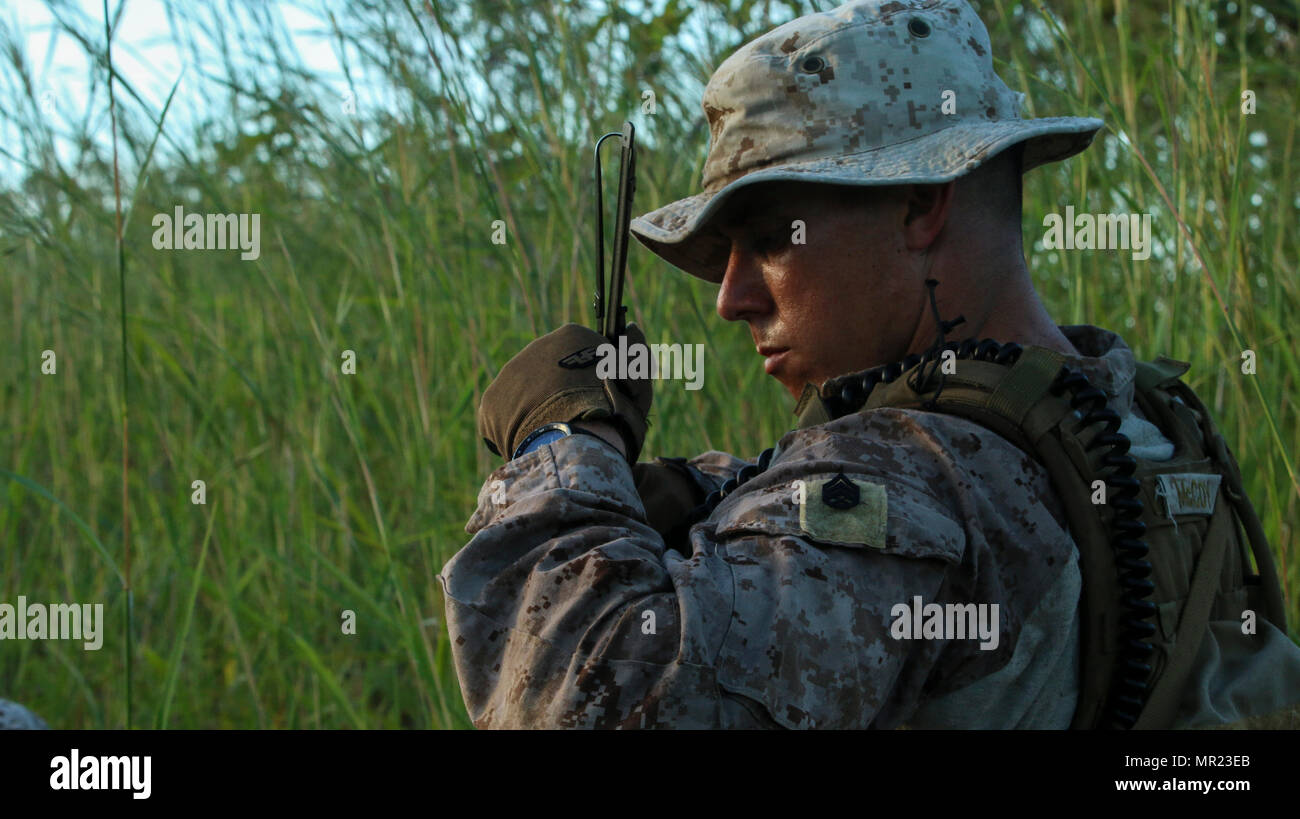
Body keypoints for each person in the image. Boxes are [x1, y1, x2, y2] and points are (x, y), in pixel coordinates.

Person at [439, 0, 1300, 729]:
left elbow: (575, 689)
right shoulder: (1136, 412)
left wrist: (559, 447)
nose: (730, 297)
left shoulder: (915, 476)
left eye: (773, 238)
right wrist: (710, 495)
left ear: (922, 204)